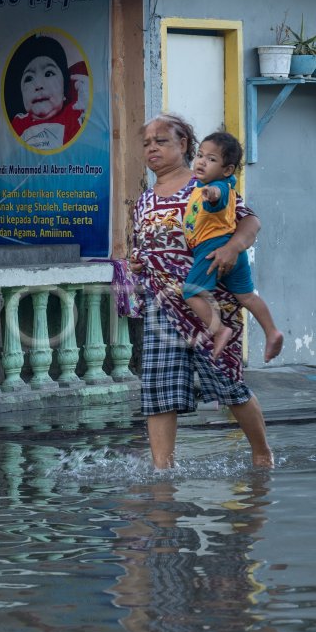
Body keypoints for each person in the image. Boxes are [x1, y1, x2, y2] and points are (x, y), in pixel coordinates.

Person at [129, 113, 274, 470]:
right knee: (159, 392)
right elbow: (142, 245)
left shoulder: (206, 188)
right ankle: (162, 470)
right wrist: (137, 262)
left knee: (228, 385)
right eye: (147, 143)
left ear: (183, 145)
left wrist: (233, 248)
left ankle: (261, 453)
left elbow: (251, 221)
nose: (152, 148)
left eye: (161, 141)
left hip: (210, 305)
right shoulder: (144, 201)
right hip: (162, 308)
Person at [183, 131, 284, 362]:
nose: (202, 162)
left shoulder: (218, 187)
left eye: (211, 159)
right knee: (246, 296)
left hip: (211, 249)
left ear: (227, 170)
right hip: (231, 249)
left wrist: (211, 193)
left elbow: (218, 195)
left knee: (191, 292)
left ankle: (219, 330)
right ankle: (272, 331)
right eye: (200, 155)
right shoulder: (207, 184)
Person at [6, 33, 71, 150]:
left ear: (64, 88)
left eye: (48, 73)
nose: (39, 85)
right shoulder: (17, 125)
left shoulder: (75, 115)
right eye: (29, 78)